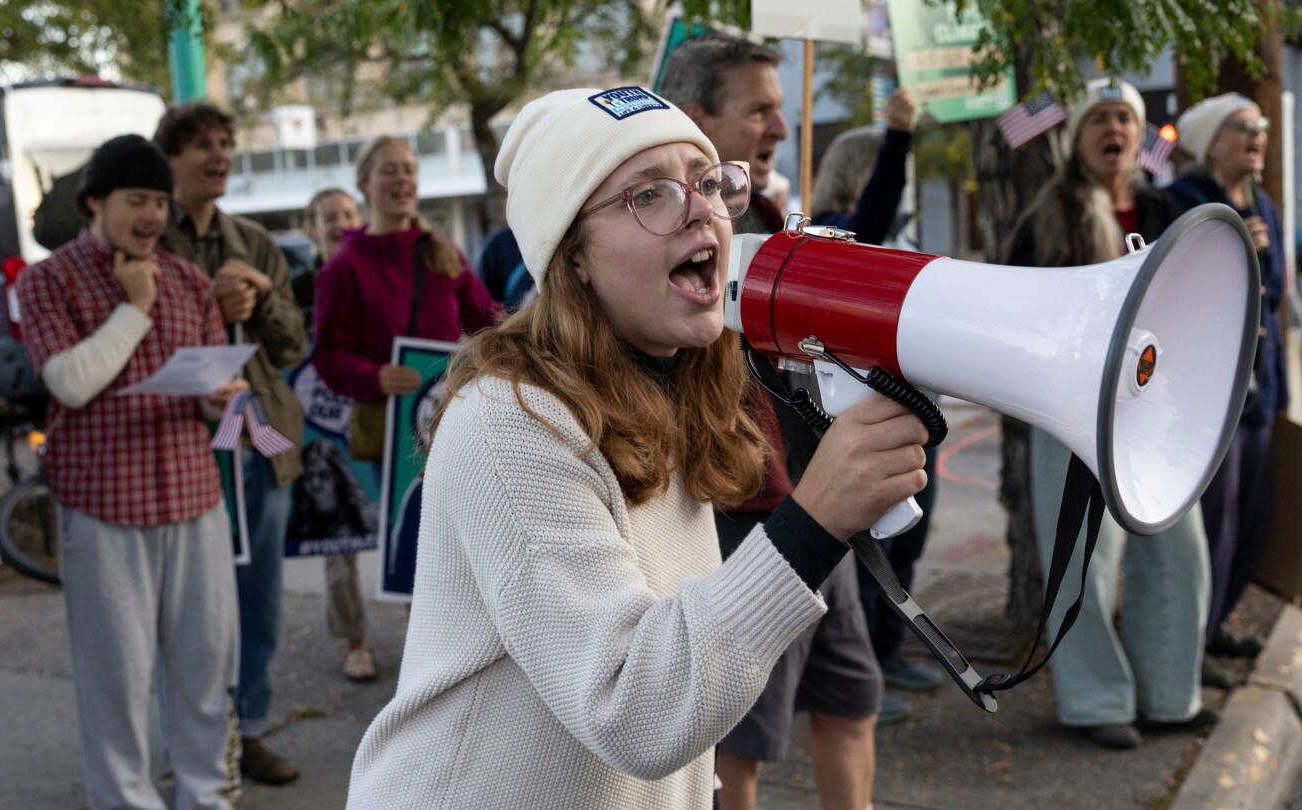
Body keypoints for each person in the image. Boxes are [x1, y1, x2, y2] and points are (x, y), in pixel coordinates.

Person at [346, 85, 930, 808]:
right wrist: (812, 523)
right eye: (647, 194)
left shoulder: (675, 383)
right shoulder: (509, 421)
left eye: (707, 180)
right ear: (574, 258)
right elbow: (632, 706)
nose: (700, 206)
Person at [659, 32, 883, 810]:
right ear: (695, 118)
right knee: (738, 742)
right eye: (759, 110)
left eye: (781, 112)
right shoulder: (665, 239)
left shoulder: (781, 217)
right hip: (739, 520)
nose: (780, 130)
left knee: (850, 699)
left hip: (821, 496)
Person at [15, 134, 246, 808]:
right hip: (102, 507)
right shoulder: (47, 280)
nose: (151, 216)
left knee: (204, 666)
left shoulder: (190, 279)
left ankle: (208, 796)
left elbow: (210, 401)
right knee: (114, 680)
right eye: (135, 200)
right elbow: (70, 382)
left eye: (158, 203)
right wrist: (133, 308)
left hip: (194, 498)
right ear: (95, 201)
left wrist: (217, 399)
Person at [1005, 79, 1216, 750]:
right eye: (1101, 118)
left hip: (1159, 412)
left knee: (1180, 554)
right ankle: (1096, 701)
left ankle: (1169, 696)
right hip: (1070, 408)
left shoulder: (1166, 208)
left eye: (1125, 116)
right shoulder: (1046, 215)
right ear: (1079, 136)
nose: (1115, 128)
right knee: (1083, 565)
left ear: (1139, 133)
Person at [154, 102, 309, 786]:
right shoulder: (151, 243)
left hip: (260, 438)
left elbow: (292, 346)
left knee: (259, 598)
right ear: (170, 161)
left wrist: (262, 295)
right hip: (185, 448)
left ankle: (250, 731)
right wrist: (209, 310)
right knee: (186, 605)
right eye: (201, 146)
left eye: (225, 144)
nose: (217, 155)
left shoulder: (254, 241)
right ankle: (192, 744)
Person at [810, 89, 946, 726]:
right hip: (865, 416)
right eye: (887, 171)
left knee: (906, 541)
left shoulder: (888, 235)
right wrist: (898, 139)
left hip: (907, 408)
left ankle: (888, 652)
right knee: (872, 551)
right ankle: (868, 660)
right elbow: (874, 209)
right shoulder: (835, 235)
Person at [1166, 93, 1286, 678]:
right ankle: (1192, 642)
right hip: (1213, 397)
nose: (1257, 136)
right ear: (1213, 140)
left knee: (1256, 518)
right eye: (1243, 127)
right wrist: (1244, 251)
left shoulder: (1263, 201)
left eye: (1261, 127)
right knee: (1216, 520)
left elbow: (1278, 292)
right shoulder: (1185, 200)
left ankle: (1216, 625)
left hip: (1262, 391)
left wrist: (1263, 255)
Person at [310, 134, 499, 475]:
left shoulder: (442, 251)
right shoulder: (342, 268)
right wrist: (375, 376)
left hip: (450, 418)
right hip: (390, 433)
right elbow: (328, 356)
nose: (403, 179)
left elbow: (488, 323)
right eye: (390, 171)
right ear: (364, 185)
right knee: (406, 526)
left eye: (410, 170)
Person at [293, 187, 378, 682]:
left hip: (368, 417)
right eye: (328, 217)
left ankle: (422, 634)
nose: (340, 223)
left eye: (348, 213)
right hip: (318, 427)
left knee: (397, 529)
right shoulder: (299, 289)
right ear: (309, 228)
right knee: (335, 536)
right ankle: (354, 639)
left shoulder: (368, 278)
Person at [294, 187, 363, 323]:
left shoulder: (375, 279)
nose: (342, 225)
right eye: (330, 219)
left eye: (349, 216)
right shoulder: (297, 290)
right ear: (310, 229)